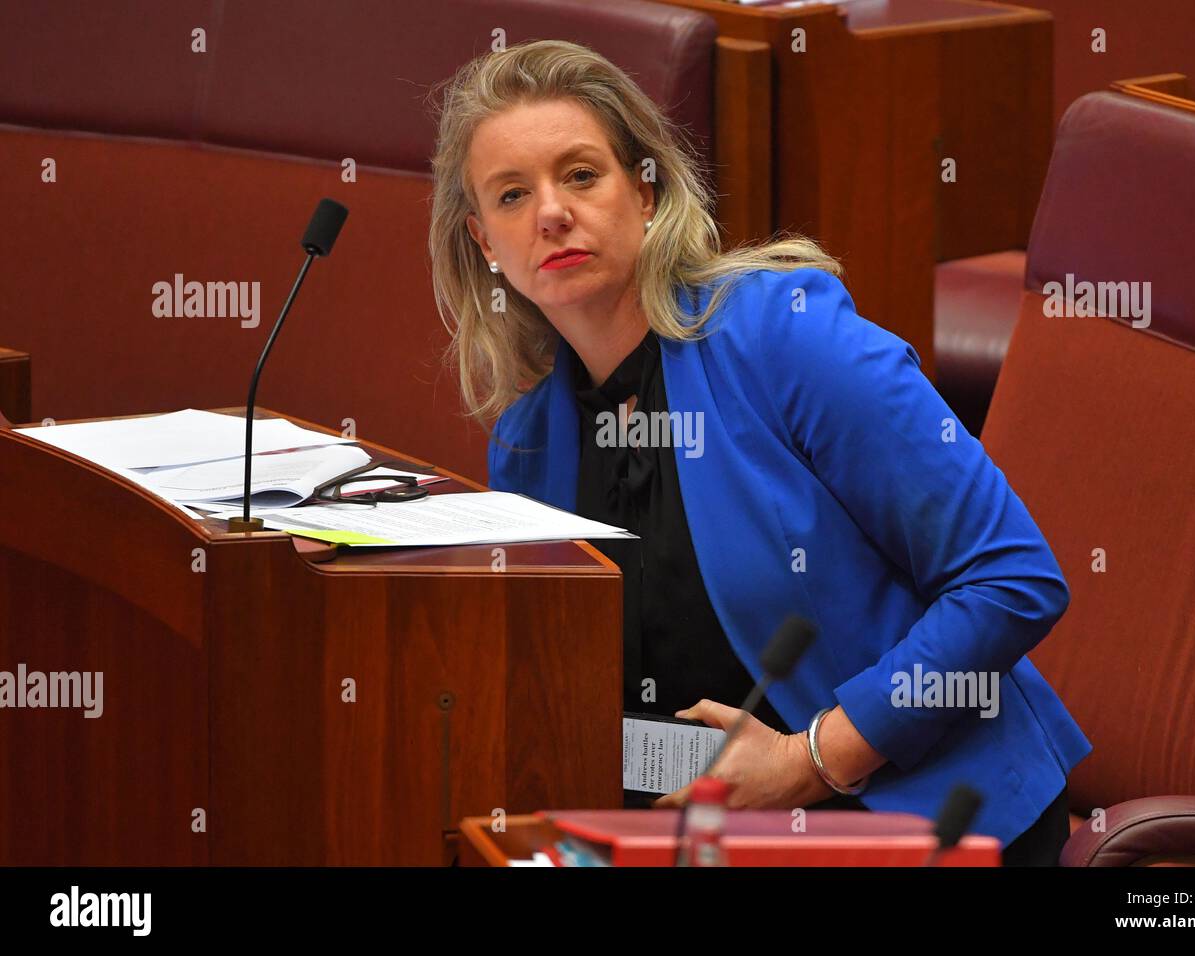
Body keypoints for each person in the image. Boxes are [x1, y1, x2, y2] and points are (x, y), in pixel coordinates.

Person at [428, 39, 1090, 865]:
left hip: (917, 818)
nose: (551, 212)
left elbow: (1013, 580)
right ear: (484, 241)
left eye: (582, 175)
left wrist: (810, 759)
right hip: (690, 833)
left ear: (646, 189)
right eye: (513, 194)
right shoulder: (529, 438)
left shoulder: (784, 336)